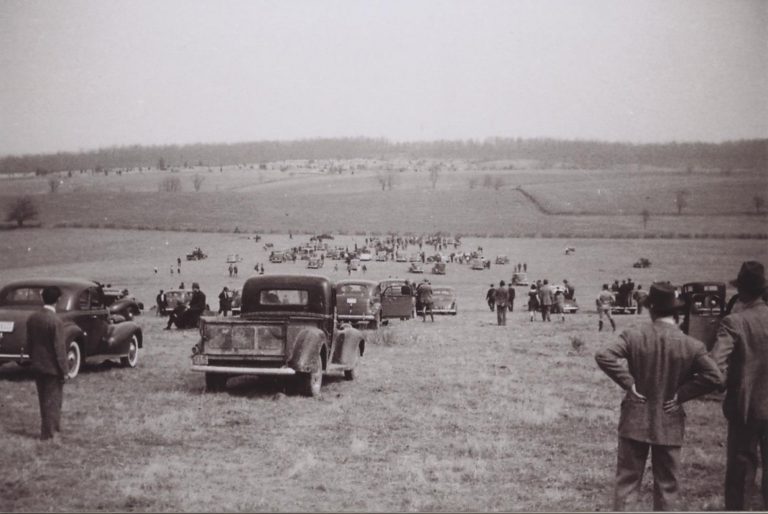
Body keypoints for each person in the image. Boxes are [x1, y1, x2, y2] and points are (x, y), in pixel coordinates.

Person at [595, 282, 722, 511]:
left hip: (635, 417)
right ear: (676, 312)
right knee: (667, 487)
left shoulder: (634, 335)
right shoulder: (691, 344)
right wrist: (682, 394)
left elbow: (604, 355)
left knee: (627, 483)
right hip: (670, 420)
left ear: (650, 309)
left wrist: (628, 382)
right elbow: (715, 377)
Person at [710, 261, 768, 510]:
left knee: (741, 473)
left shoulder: (734, 322)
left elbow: (714, 365)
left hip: (746, 409)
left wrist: (723, 384)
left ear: (741, 292)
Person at [27, 286, 69, 441]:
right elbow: (59, 348)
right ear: (57, 300)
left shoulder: (33, 318)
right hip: (53, 368)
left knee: (43, 400)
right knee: (53, 401)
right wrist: (65, 370)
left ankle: (48, 431)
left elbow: (29, 343)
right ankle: (50, 434)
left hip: (38, 365)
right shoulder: (56, 321)